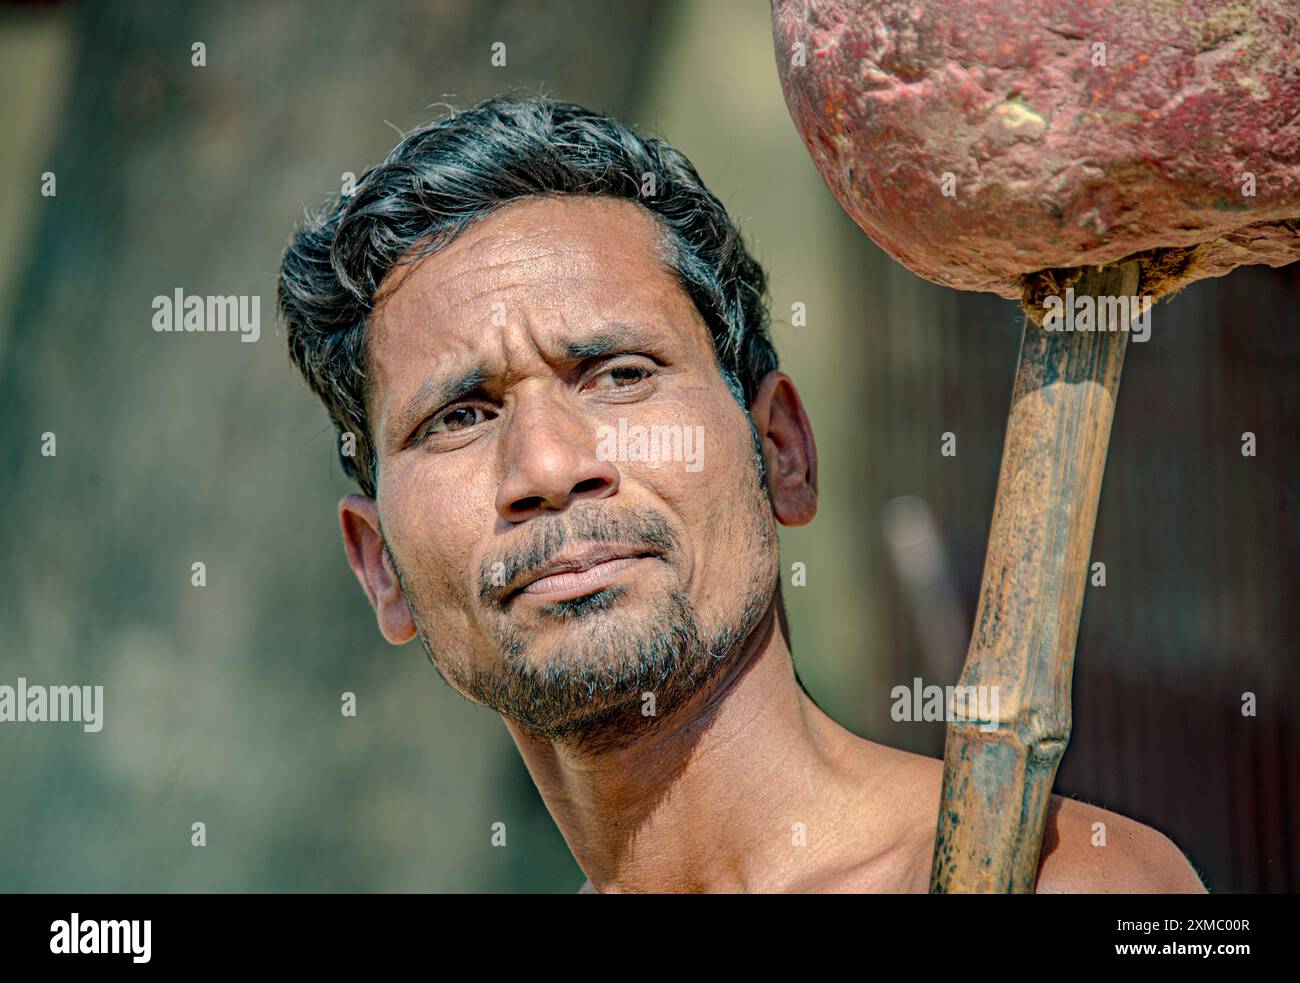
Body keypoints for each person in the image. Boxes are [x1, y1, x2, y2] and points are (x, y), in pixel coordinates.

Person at [277, 95, 1205, 893]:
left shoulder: (1075, 879)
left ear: (782, 454)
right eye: (458, 418)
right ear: (379, 569)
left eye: (620, 373)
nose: (549, 469)